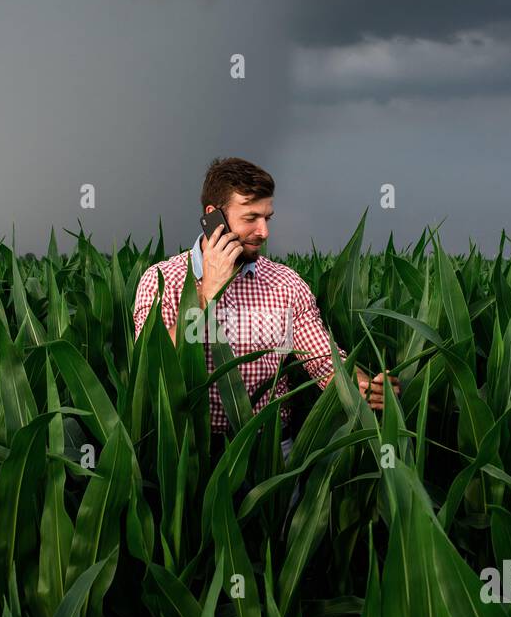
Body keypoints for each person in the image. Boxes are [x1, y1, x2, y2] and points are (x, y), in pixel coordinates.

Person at [131, 157, 399, 462]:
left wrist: (364, 387)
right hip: (189, 454)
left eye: (267, 218)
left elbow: (324, 362)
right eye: (250, 218)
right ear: (213, 216)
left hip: (273, 451)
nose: (263, 232)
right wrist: (205, 295)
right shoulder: (162, 279)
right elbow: (151, 365)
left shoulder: (286, 284)